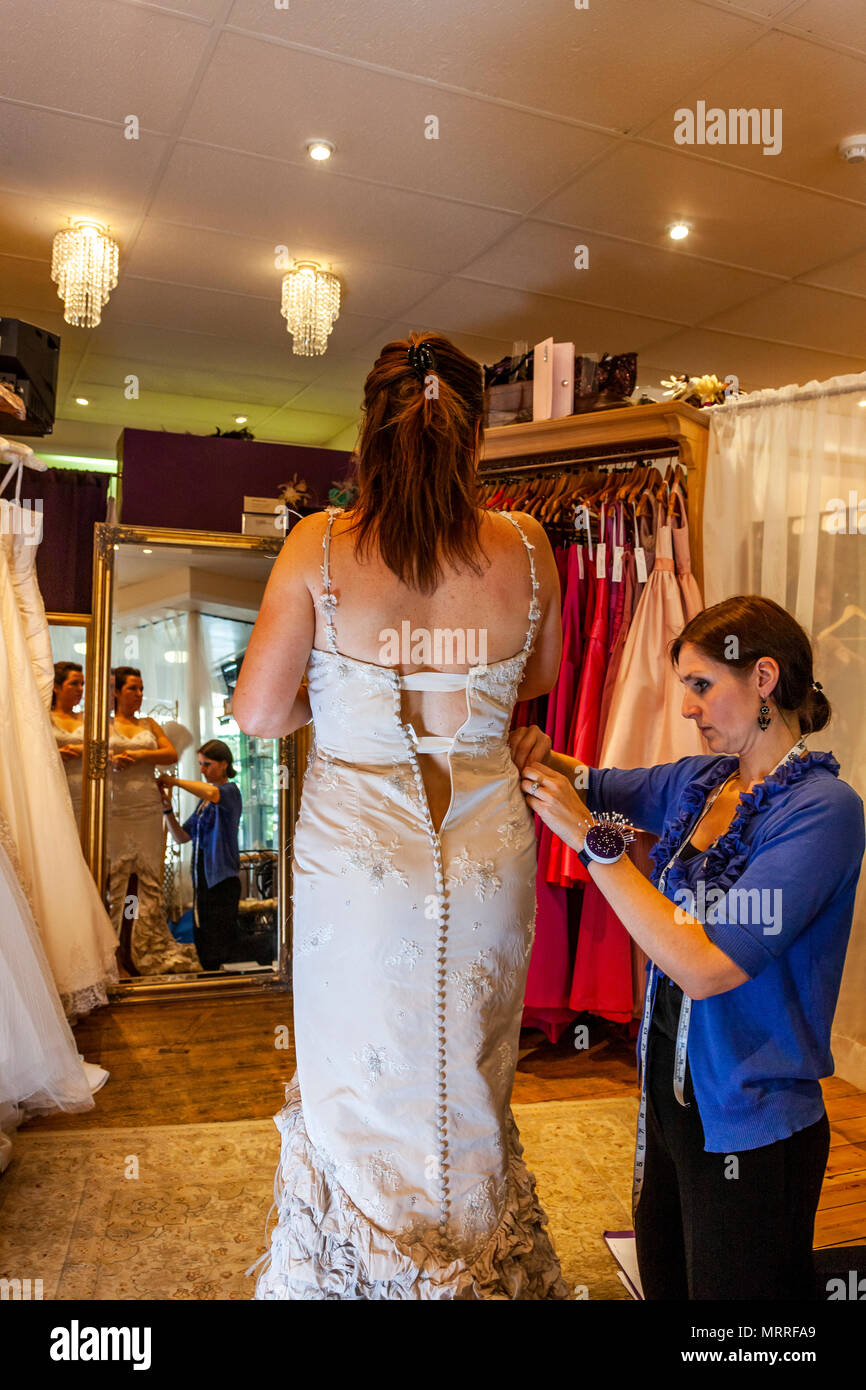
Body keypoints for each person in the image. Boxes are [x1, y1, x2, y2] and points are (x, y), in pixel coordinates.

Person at [234, 331, 568, 1300]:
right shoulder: (524, 547)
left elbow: (258, 712)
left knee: (360, 1071)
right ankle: (472, 1267)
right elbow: (533, 685)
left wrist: (333, 705)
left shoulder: (322, 545)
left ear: (368, 434)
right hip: (483, 849)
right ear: (473, 441)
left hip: (359, 858)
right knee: (467, 1056)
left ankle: (366, 1278)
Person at [510, 594, 865, 1301]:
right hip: (670, 1096)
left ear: (763, 680)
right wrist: (532, 754)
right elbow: (590, 783)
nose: (687, 708)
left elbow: (707, 965)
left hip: (754, 1117)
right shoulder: (699, 784)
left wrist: (594, 843)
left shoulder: (824, 811)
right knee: (671, 1283)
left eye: (702, 686)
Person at [107, 666, 200, 975]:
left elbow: (171, 754)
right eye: (133, 688)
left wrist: (139, 757)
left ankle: (144, 942)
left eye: (142, 688)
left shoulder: (149, 723)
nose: (139, 694)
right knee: (117, 874)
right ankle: (116, 947)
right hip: (116, 806)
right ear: (117, 691)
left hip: (146, 805)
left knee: (147, 873)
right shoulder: (104, 725)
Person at [159, 740, 243, 972]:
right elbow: (182, 836)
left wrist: (175, 781)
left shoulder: (230, 792)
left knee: (220, 941)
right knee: (203, 937)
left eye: (207, 764)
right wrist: (167, 811)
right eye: (200, 764)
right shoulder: (202, 802)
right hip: (203, 878)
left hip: (223, 879)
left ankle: (223, 989)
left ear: (224, 764)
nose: (203, 770)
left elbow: (212, 792)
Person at [50, 660, 85, 830]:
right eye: (74, 683)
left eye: (82, 684)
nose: (80, 689)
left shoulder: (89, 719)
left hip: (85, 792)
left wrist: (83, 749)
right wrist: (55, 754)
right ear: (56, 687)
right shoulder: (44, 718)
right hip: (55, 789)